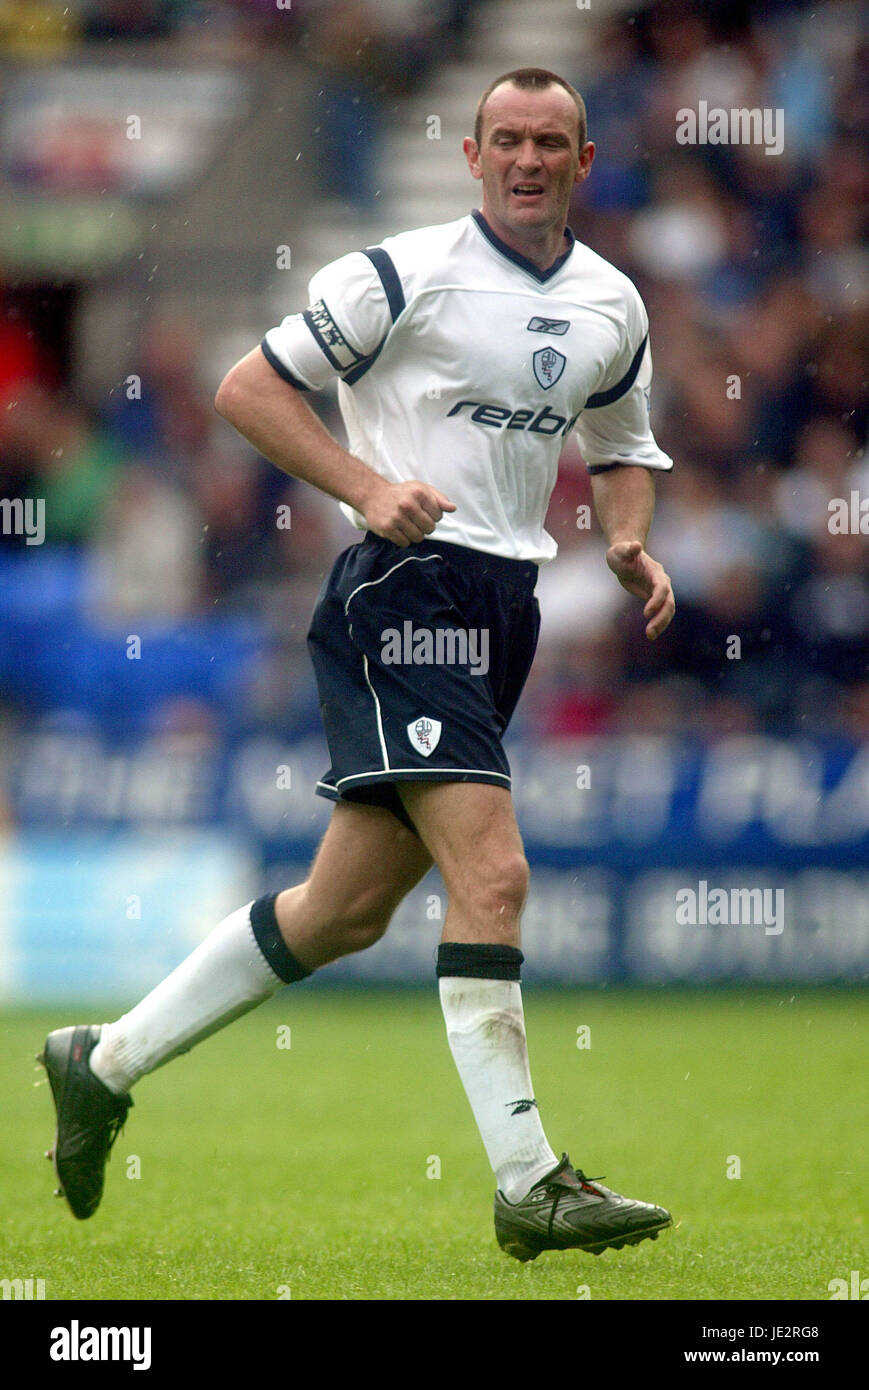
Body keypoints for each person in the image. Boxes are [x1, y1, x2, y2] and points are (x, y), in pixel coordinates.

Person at [40, 67, 676, 1262]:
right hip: (406, 589)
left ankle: (103, 1058)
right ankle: (529, 1179)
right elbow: (250, 388)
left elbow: (623, 442)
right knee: (493, 876)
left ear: (584, 161)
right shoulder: (401, 273)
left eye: (551, 141)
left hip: (505, 603)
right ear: (473, 155)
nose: (528, 159)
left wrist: (630, 535)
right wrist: (367, 486)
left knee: (341, 912)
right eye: (507, 140)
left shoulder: (611, 303)